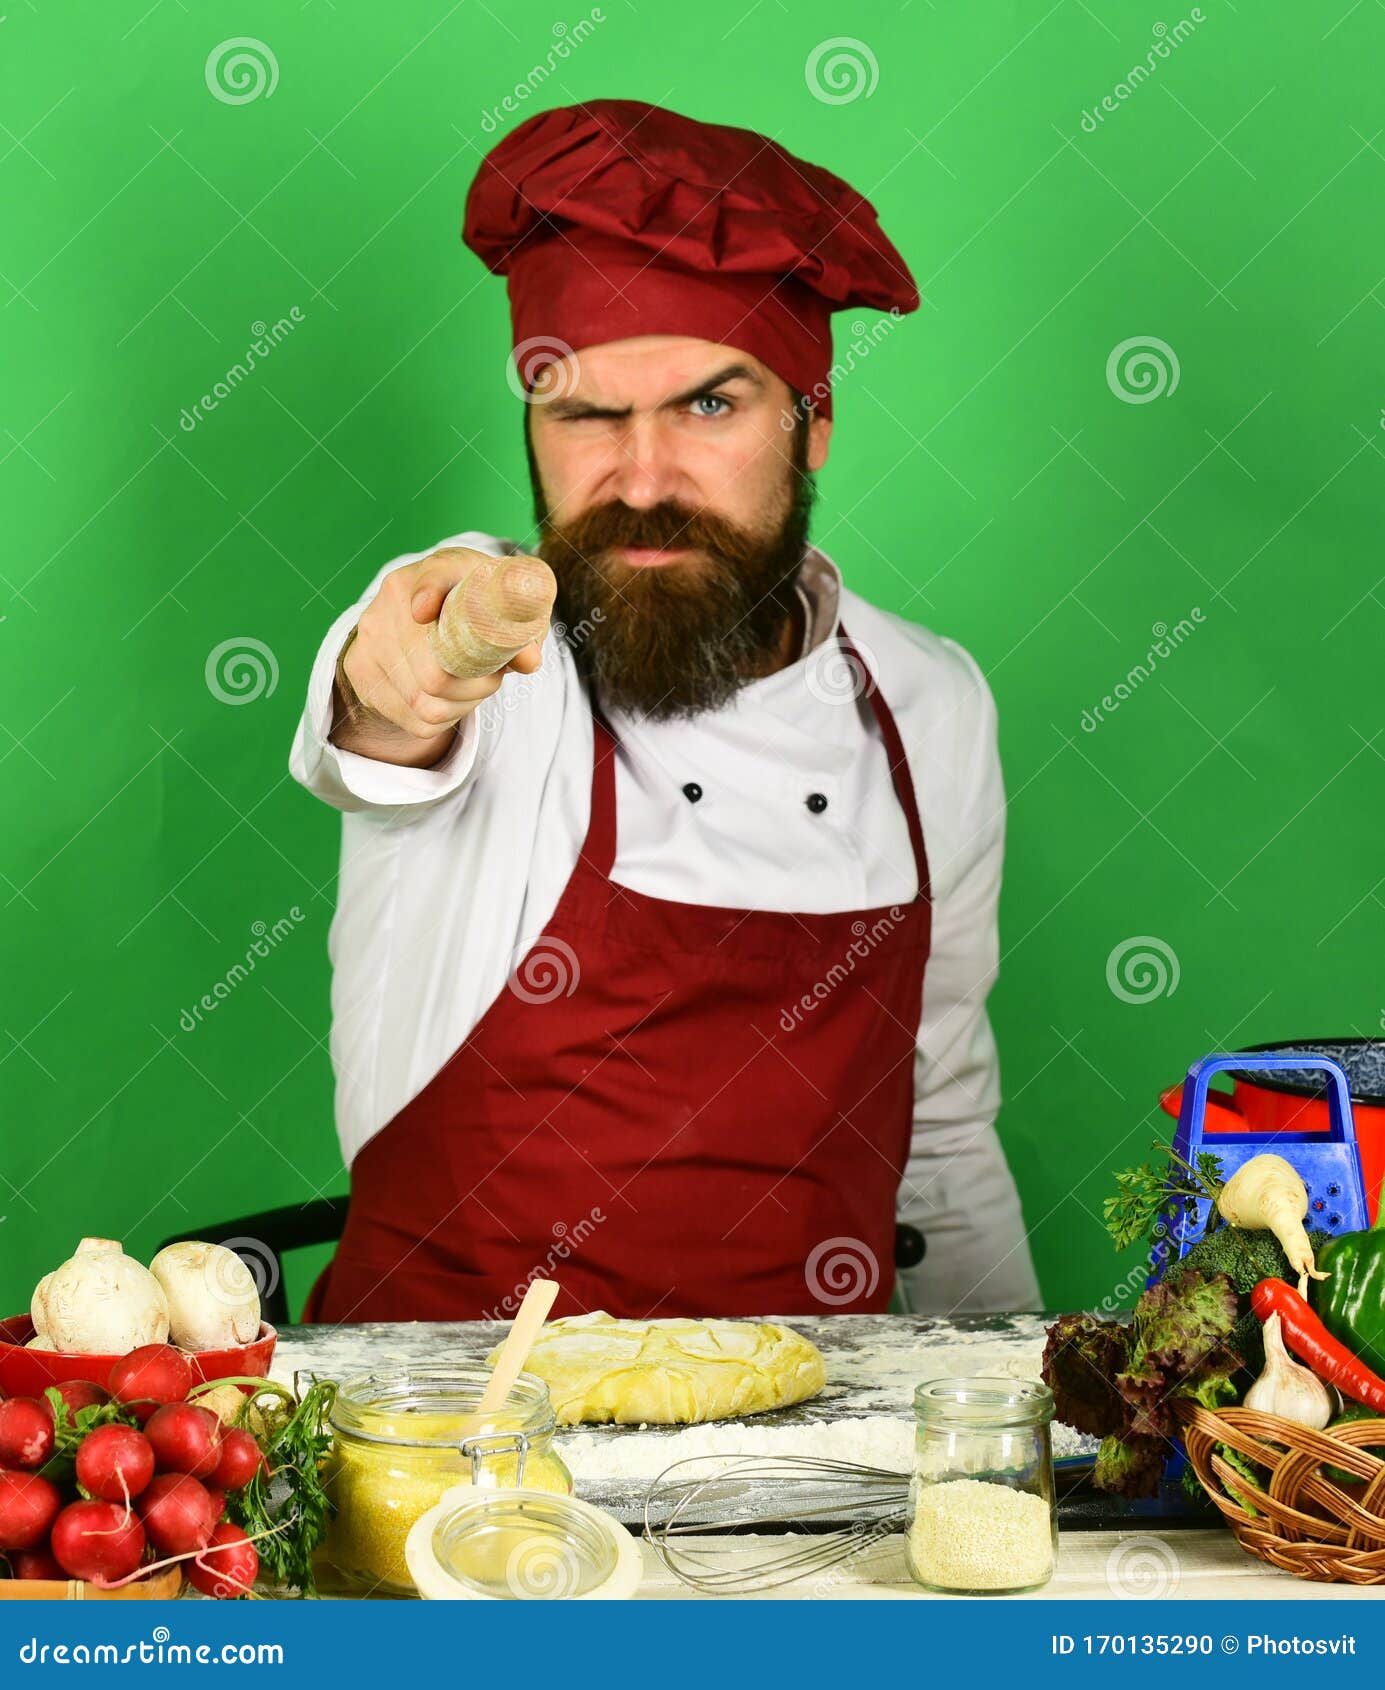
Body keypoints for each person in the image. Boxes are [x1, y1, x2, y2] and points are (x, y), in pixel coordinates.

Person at [290, 98, 1041, 1323]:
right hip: (440, 1468)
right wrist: (390, 680)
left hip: (815, 1475)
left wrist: (1024, 1450)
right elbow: (380, 719)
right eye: (585, 414)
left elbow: (942, 1136)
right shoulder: (493, 657)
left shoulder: (928, 705)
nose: (640, 481)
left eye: (708, 406)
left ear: (815, 422)